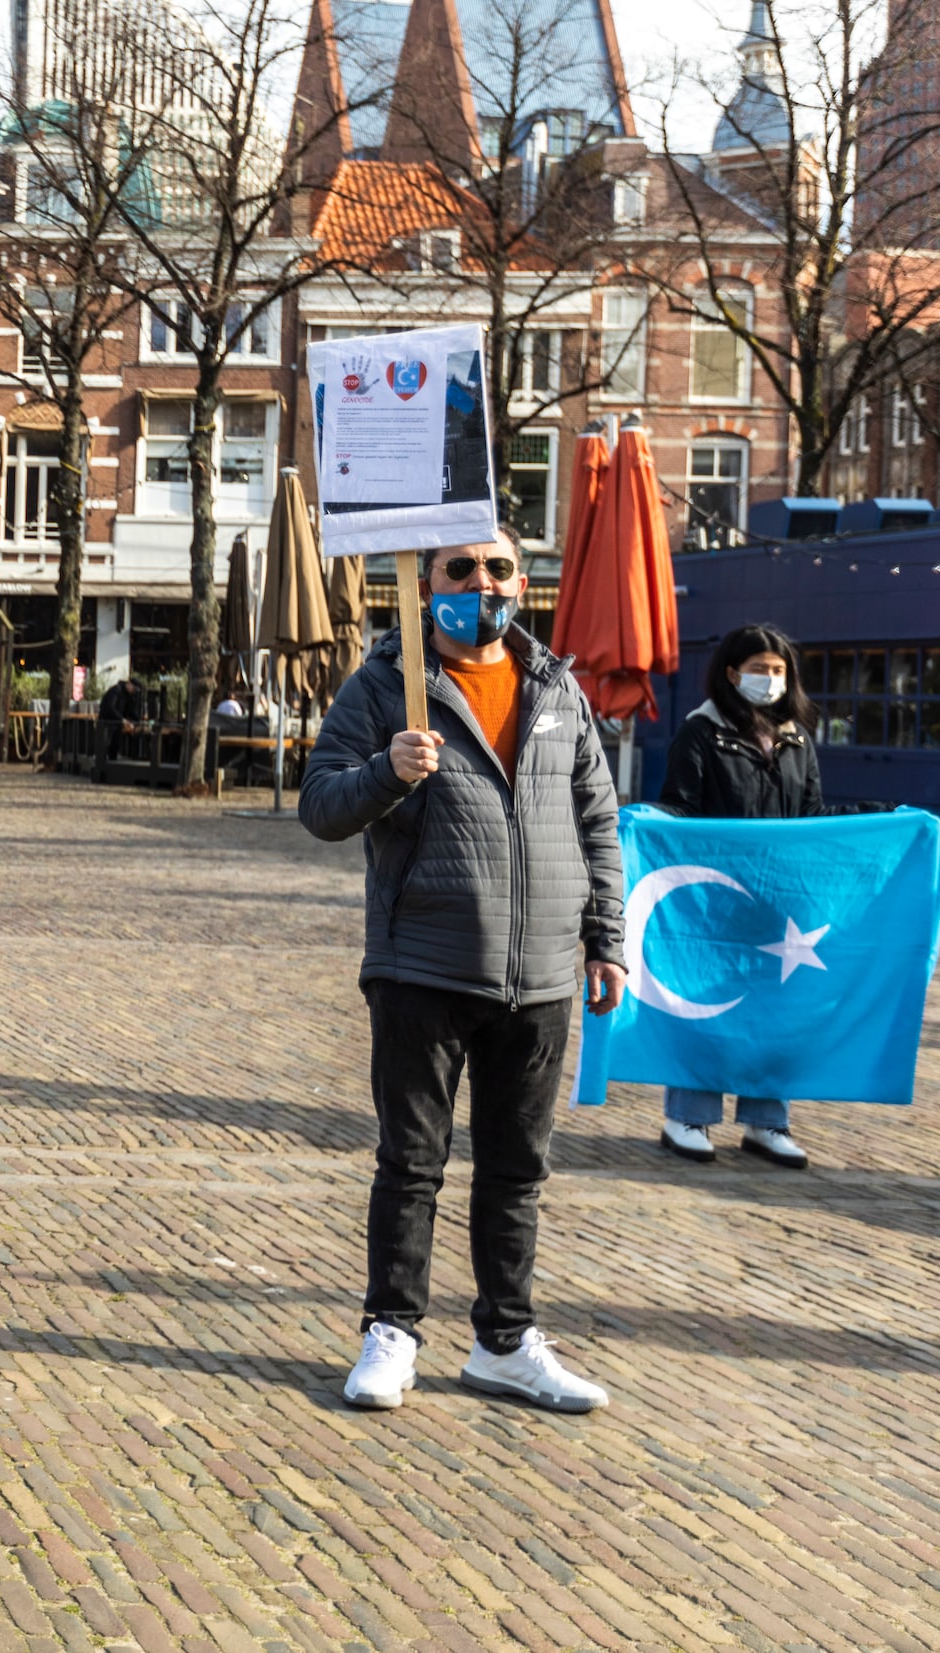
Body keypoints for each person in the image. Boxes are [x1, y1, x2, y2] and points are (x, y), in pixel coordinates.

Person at [301, 533, 626, 1415]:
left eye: (498, 570)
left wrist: (606, 937)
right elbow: (321, 804)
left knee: (518, 1167)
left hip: (545, 973)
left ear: (523, 582)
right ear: (426, 584)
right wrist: (386, 771)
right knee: (413, 1161)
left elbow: (598, 818)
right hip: (425, 964)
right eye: (460, 570)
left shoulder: (558, 688)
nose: (481, 584)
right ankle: (393, 1329)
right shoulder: (386, 686)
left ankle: (505, 1341)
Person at [654, 624, 824, 1169]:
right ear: (732, 673)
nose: (770, 679)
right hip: (715, 901)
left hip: (779, 903)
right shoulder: (701, 732)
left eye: (778, 670)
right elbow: (679, 807)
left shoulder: (798, 738)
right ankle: (688, 1114)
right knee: (705, 1004)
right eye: (759, 668)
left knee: (775, 1010)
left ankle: (767, 1121)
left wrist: (881, 815)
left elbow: (813, 817)